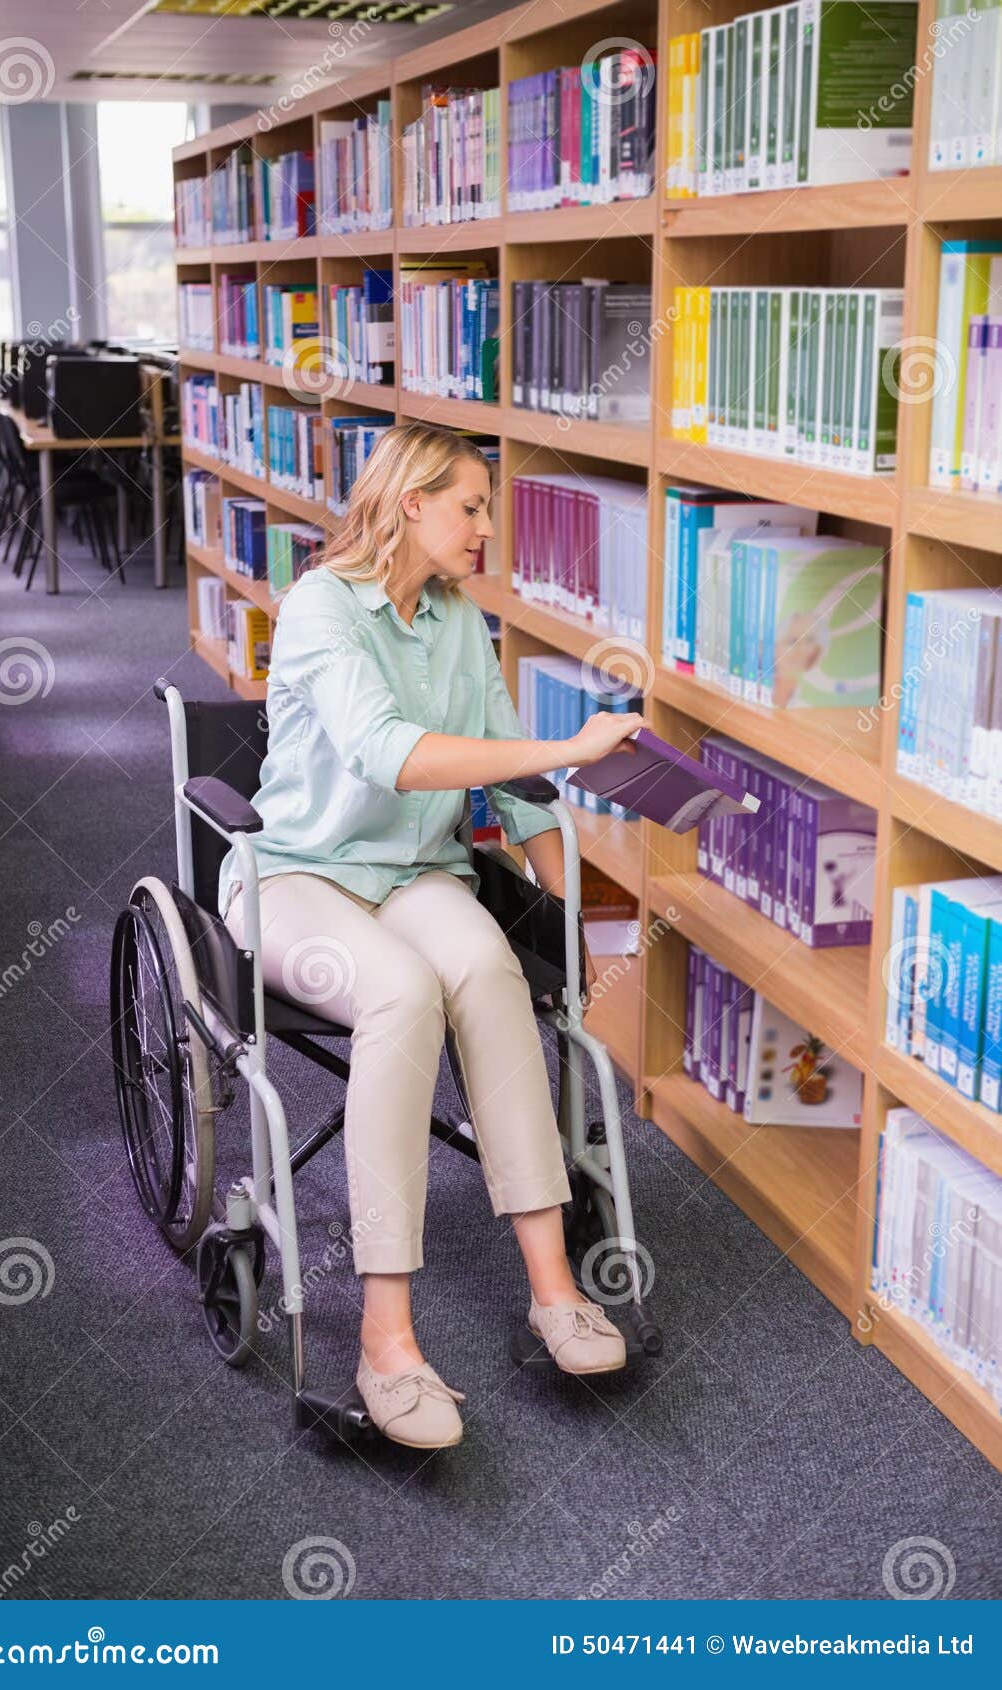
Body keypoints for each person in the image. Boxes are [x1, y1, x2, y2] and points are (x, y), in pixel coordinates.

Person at [220, 422, 645, 1450]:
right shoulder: (322, 607)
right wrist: (566, 741)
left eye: (487, 508)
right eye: (470, 506)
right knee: (401, 993)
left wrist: (569, 915)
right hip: (300, 876)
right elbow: (385, 754)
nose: (486, 528)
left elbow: (514, 775)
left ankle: (552, 1289)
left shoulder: (459, 618)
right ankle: (385, 1340)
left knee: (492, 971)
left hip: (412, 873)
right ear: (409, 501)